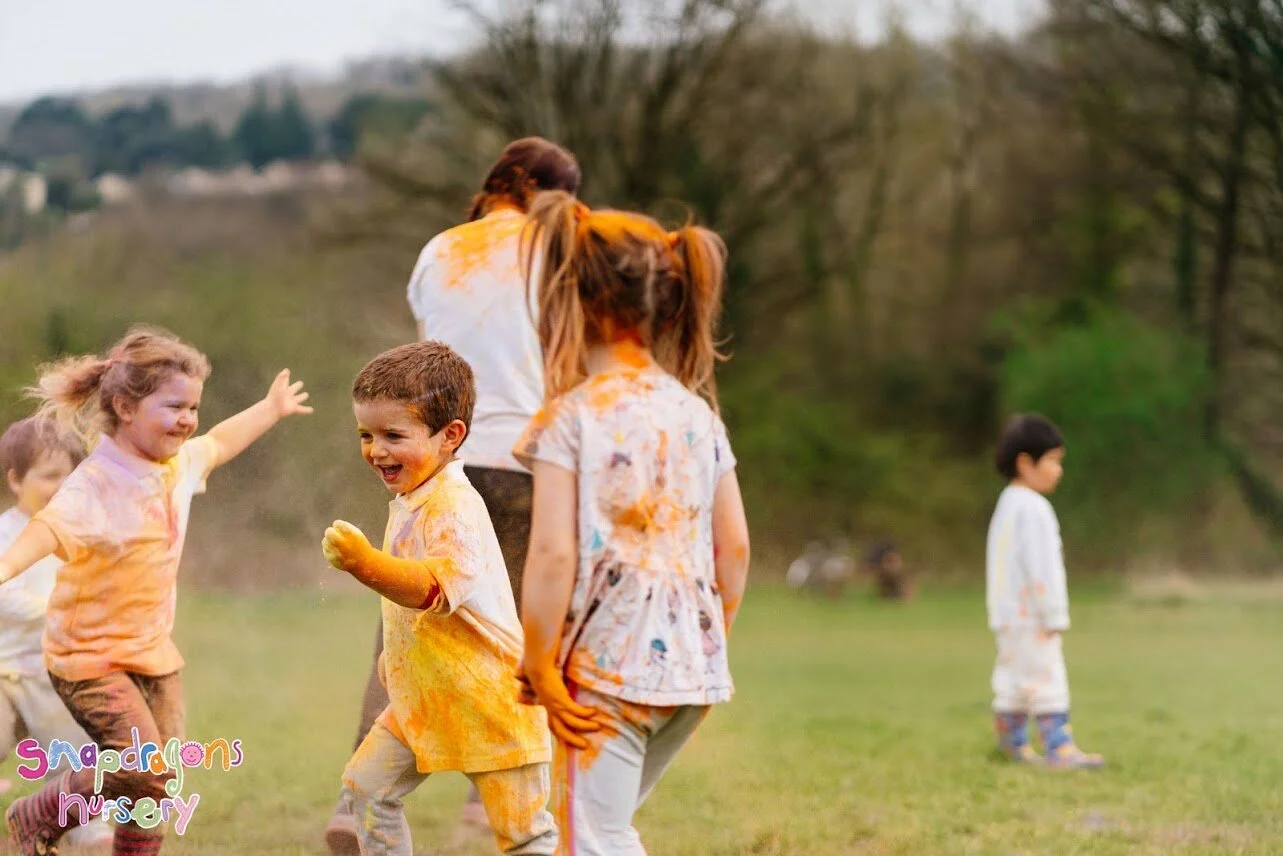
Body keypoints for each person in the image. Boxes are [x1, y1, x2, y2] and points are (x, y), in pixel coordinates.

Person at [325, 136, 581, 854]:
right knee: (510, 624)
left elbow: (420, 368)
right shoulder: (555, 252)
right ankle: (484, 792)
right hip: (529, 459)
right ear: (551, 195)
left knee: (408, 619)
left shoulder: (438, 252)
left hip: (440, 458)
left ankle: (358, 800)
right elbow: (568, 361)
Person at [0, 327, 312, 856]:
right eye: (174, 407)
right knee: (147, 767)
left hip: (152, 652)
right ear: (124, 405)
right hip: (88, 658)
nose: (188, 419)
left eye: (193, 406)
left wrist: (270, 408)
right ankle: (37, 813)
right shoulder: (94, 483)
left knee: (157, 783)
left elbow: (219, 443)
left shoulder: (178, 464)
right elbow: (43, 532)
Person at [513, 192, 751, 852]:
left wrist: (537, 659)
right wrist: (705, 637)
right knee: (604, 829)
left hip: (604, 670)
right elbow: (733, 547)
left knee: (590, 839)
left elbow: (553, 555)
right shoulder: (698, 416)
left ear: (568, 298)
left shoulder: (568, 419)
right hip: (692, 669)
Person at [321, 341, 557, 856]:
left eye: (392, 435)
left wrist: (365, 564)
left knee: (524, 836)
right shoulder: (412, 498)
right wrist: (396, 661)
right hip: (425, 699)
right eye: (366, 434)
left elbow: (432, 589)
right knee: (365, 791)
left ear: (450, 436)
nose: (376, 450)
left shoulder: (452, 505)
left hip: (491, 701)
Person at [0, 416, 112, 851]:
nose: (62, 485)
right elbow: (4, 595)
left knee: (75, 751)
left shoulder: (82, 533)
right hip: (5, 673)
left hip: (57, 673)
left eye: (70, 475)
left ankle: (88, 829)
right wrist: (58, 610)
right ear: (15, 479)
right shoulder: (7, 533)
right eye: (49, 476)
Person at [987, 413, 1103, 769]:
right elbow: (1044, 568)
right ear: (1026, 462)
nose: (1058, 470)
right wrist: (1054, 613)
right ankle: (1059, 747)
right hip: (1032, 613)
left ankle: (1012, 743)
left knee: (1013, 679)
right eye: (1052, 460)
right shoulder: (1035, 509)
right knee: (1047, 676)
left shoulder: (1006, 503)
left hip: (1006, 614)